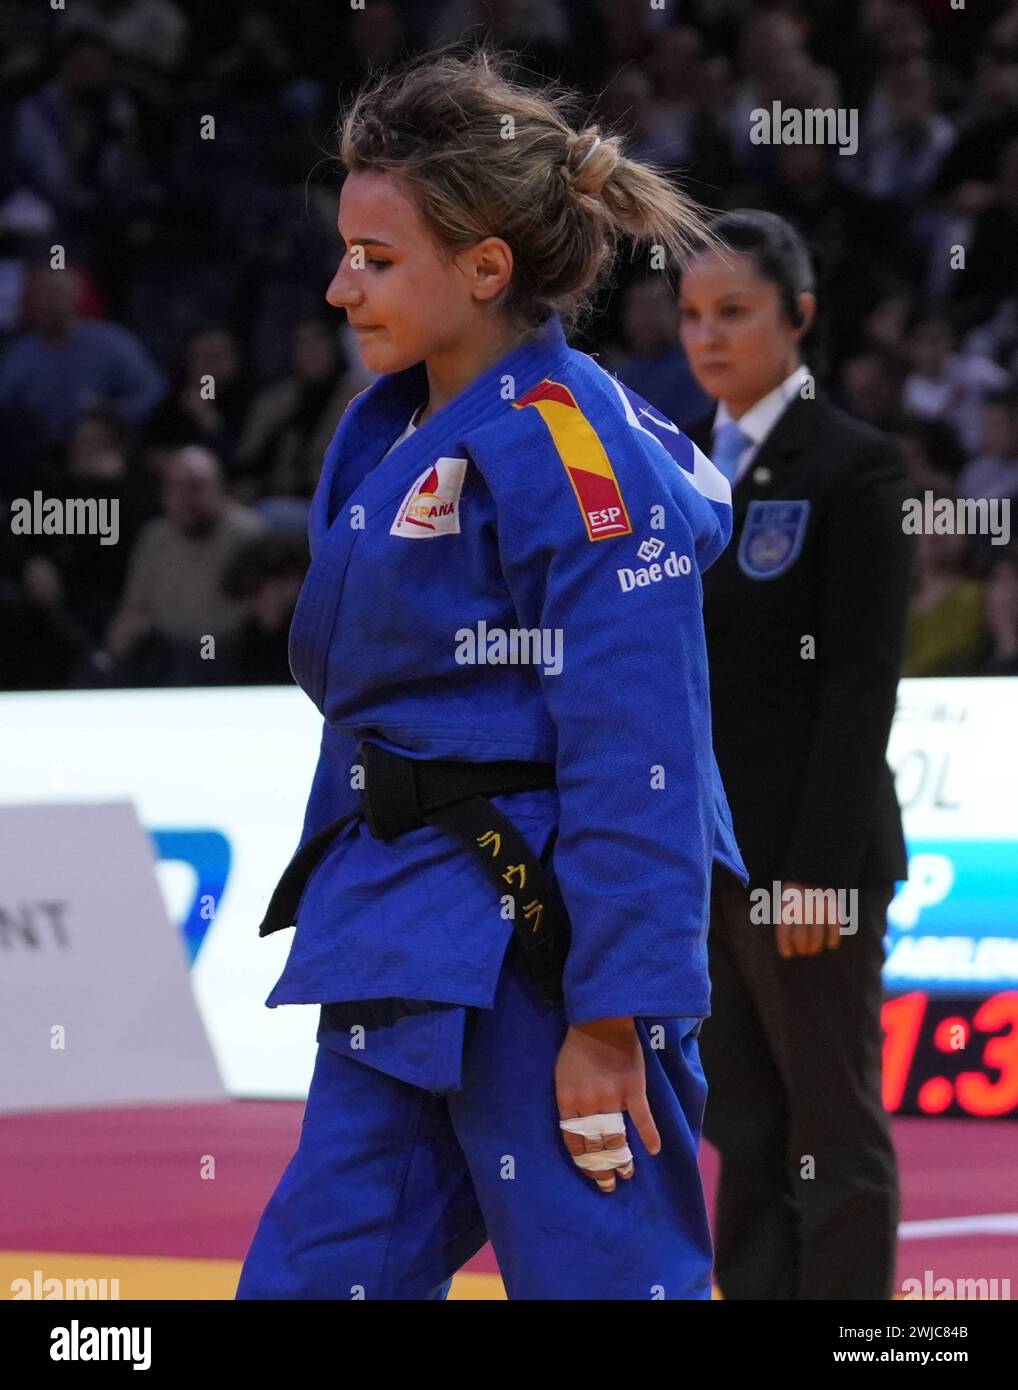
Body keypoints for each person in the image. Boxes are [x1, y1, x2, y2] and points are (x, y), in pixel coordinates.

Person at [236, 47, 747, 1302]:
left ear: (484, 266)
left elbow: (643, 746)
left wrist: (610, 1018)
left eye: (375, 257)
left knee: (606, 1283)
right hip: (401, 934)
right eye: (346, 250)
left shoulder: (571, 453)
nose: (337, 286)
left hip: (542, 949)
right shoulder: (394, 423)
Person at [678, 209, 913, 1300]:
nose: (707, 336)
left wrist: (815, 865)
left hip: (808, 865)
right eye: (690, 315)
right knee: (745, 1121)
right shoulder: (675, 463)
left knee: (829, 1120)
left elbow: (860, 682)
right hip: (711, 855)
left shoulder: (853, 467)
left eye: (734, 312)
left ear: (800, 318)